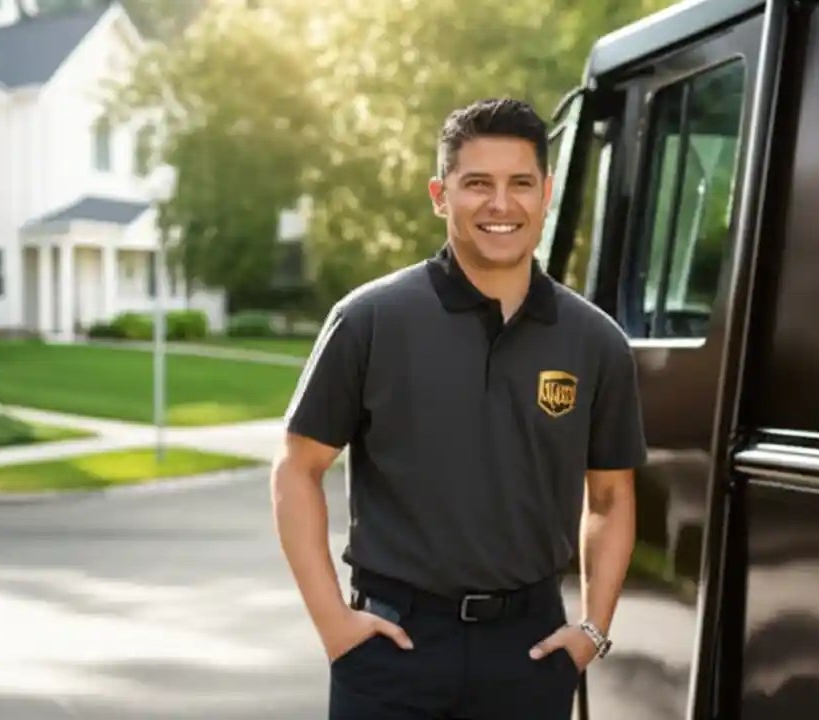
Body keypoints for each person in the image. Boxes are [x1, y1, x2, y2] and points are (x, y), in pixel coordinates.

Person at [271, 97, 647, 720]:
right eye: (477, 184)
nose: (501, 204)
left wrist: (592, 630)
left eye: (520, 183)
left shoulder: (595, 341)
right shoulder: (370, 320)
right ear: (440, 195)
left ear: (546, 193)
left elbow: (610, 497)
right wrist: (334, 624)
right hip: (394, 647)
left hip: (530, 651)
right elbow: (296, 469)